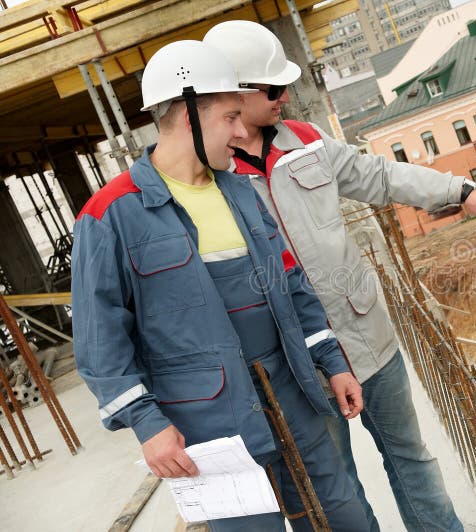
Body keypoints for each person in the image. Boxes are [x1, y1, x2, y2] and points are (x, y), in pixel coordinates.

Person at [204, 21, 476, 532]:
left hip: (367, 337)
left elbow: (380, 176)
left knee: (411, 459)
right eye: (272, 88)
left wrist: (462, 191)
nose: (286, 96)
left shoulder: (307, 141)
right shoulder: (211, 178)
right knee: (339, 488)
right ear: (233, 94)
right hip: (299, 362)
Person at [71, 39, 371, 531]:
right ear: (191, 114)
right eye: (230, 117)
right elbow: (100, 343)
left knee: (345, 519)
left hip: (292, 395)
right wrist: (149, 426)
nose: (241, 130)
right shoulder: (110, 216)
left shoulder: (239, 192)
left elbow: (292, 286)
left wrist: (332, 361)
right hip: (207, 430)